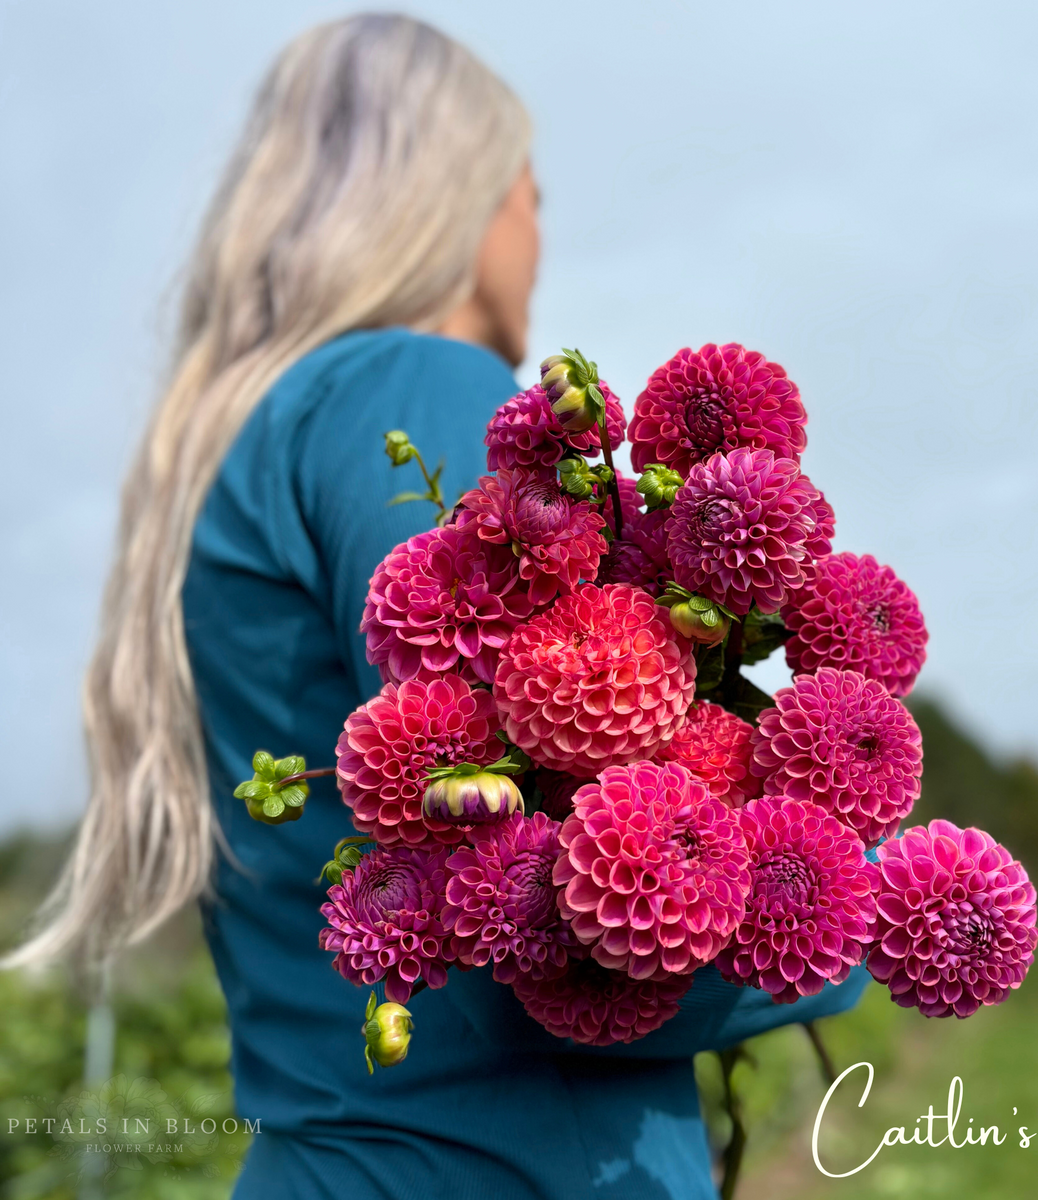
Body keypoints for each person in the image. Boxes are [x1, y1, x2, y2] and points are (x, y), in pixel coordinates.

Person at [6, 14, 868, 1198]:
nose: (538, 232)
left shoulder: (255, 438)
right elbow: (540, 907)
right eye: (530, 192)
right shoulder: (406, 383)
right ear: (460, 201)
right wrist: (833, 910)